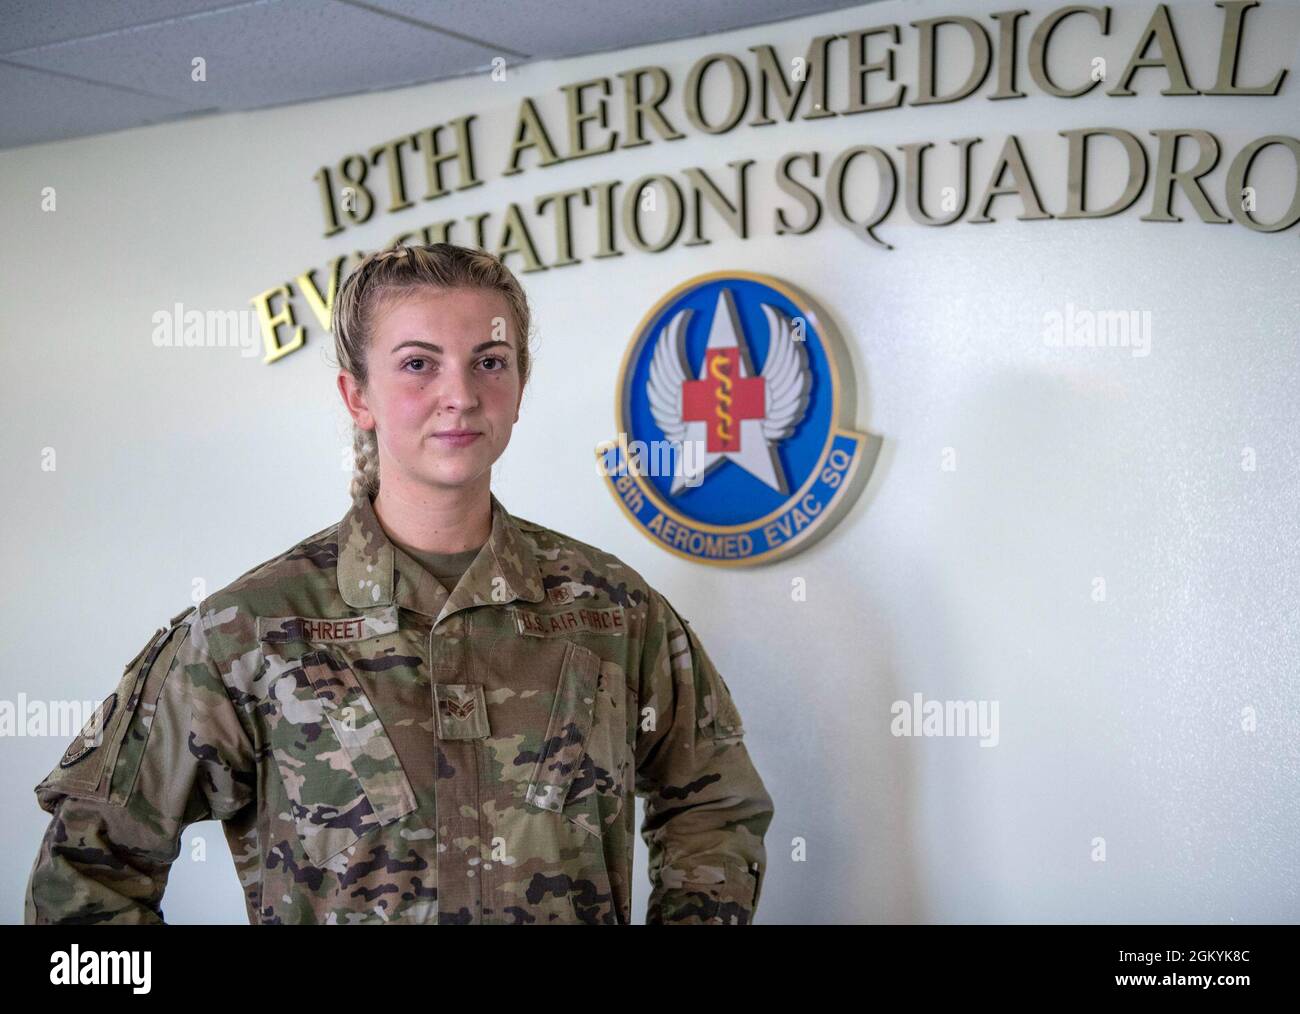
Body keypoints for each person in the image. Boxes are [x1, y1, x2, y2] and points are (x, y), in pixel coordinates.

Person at [24, 241, 775, 925]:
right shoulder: (248, 632)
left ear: (519, 384)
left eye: (489, 360)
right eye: (419, 364)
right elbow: (85, 877)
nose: (461, 394)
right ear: (358, 396)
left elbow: (714, 803)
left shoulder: (614, 613)